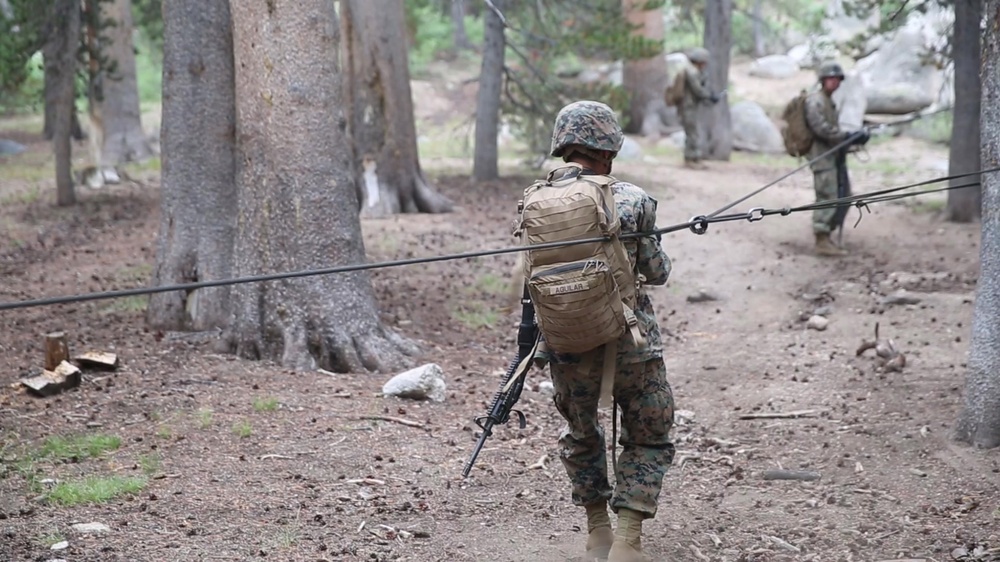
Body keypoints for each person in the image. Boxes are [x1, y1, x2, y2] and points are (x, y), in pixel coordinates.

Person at [534, 101, 676, 562]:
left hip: (566, 344)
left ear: (563, 147)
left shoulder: (536, 201)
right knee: (648, 430)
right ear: (609, 152)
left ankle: (597, 531)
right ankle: (628, 541)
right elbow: (656, 272)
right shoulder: (632, 199)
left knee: (582, 432)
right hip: (631, 342)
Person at [805, 61, 869, 256]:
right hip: (821, 157)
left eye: (837, 79)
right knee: (827, 196)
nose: (834, 83)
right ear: (823, 81)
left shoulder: (828, 101)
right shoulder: (815, 101)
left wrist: (853, 138)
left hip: (832, 156)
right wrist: (846, 137)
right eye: (830, 79)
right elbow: (821, 129)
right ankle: (821, 240)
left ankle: (827, 236)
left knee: (843, 195)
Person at [680, 47, 721, 170]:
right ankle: (691, 158)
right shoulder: (692, 72)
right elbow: (697, 90)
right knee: (692, 133)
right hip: (688, 106)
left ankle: (692, 158)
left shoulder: (694, 71)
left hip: (690, 105)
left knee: (692, 132)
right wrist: (710, 96)